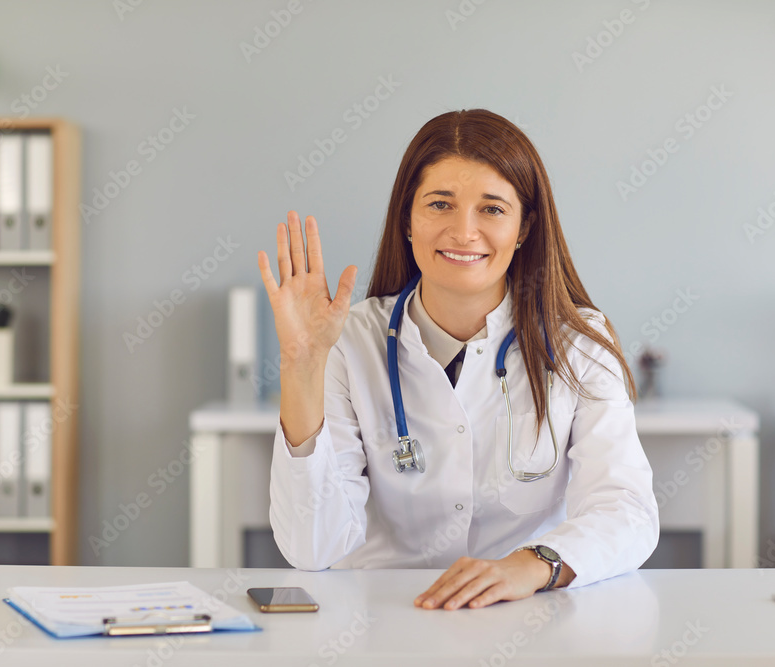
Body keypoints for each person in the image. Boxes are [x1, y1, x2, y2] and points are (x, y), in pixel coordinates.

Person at [257, 108, 658, 611]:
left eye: (491, 209)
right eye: (440, 204)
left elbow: (626, 510)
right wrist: (301, 365)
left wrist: (532, 565)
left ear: (523, 227)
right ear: (407, 219)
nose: (463, 232)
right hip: (386, 623)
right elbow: (311, 548)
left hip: (527, 615)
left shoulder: (579, 342)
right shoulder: (348, 339)